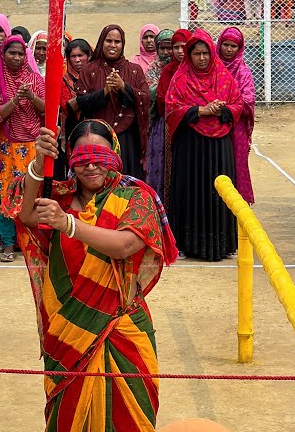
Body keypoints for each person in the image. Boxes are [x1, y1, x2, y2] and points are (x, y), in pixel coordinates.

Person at [4, 120, 176, 432]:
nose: (90, 166)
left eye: (100, 156)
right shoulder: (59, 197)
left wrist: (68, 225)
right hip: (69, 335)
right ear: (70, 160)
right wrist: (37, 161)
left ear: (114, 154)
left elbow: (125, 244)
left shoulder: (136, 197)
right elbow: (26, 212)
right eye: (81, 158)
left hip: (122, 330)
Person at [164, 29, 243, 262]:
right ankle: (189, 244)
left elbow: (238, 103)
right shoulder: (180, 79)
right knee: (191, 191)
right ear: (189, 55)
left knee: (220, 192)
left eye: (205, 53)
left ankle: (223, 244)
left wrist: (223, 109)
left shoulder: (224, 77)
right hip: (190, 146)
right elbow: (171, 109)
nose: (201, 58)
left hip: (219, 147)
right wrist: (200, 110)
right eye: (196, 53)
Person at [0, 35, 46, 263]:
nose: (17, 57)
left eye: (21, 53)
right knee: (6, 196)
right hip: (6, 148)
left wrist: (30, 96)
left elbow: (48, 110)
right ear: (3, 54)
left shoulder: (35, 80)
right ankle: (8, 243)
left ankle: (30, 241)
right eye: (12, 53)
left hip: (33, 146)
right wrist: (14, 101)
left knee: (32, 195)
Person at [78, 25, 152, 179]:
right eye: (108, 41)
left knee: (124, 181)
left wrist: (123, 87)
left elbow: (145, 99)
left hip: (127, 139)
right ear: (101, 42)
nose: (113, 45)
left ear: (122, 44)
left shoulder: (135, 70)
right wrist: (105, 91)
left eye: (117, 42)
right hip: (96, 137)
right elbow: (82, 103)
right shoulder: (89, 70)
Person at [217, 27, 256, 205]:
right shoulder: (213, 68)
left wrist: (228, 106)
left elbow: (248, 102)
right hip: (213, 125)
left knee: (237, 165)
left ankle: (239, 206)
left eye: (233, 46)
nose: (229, 49)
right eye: (225, 44)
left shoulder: (243, 72)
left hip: (237, 127)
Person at [58, 38, 97, 184]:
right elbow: (66, 107)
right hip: (73, 128)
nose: (77, 60)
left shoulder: (96, 76)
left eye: (81, 55)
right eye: (73, 56)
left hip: (95, 125)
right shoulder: (63, 79)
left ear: (89, 56)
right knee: (76, 164)